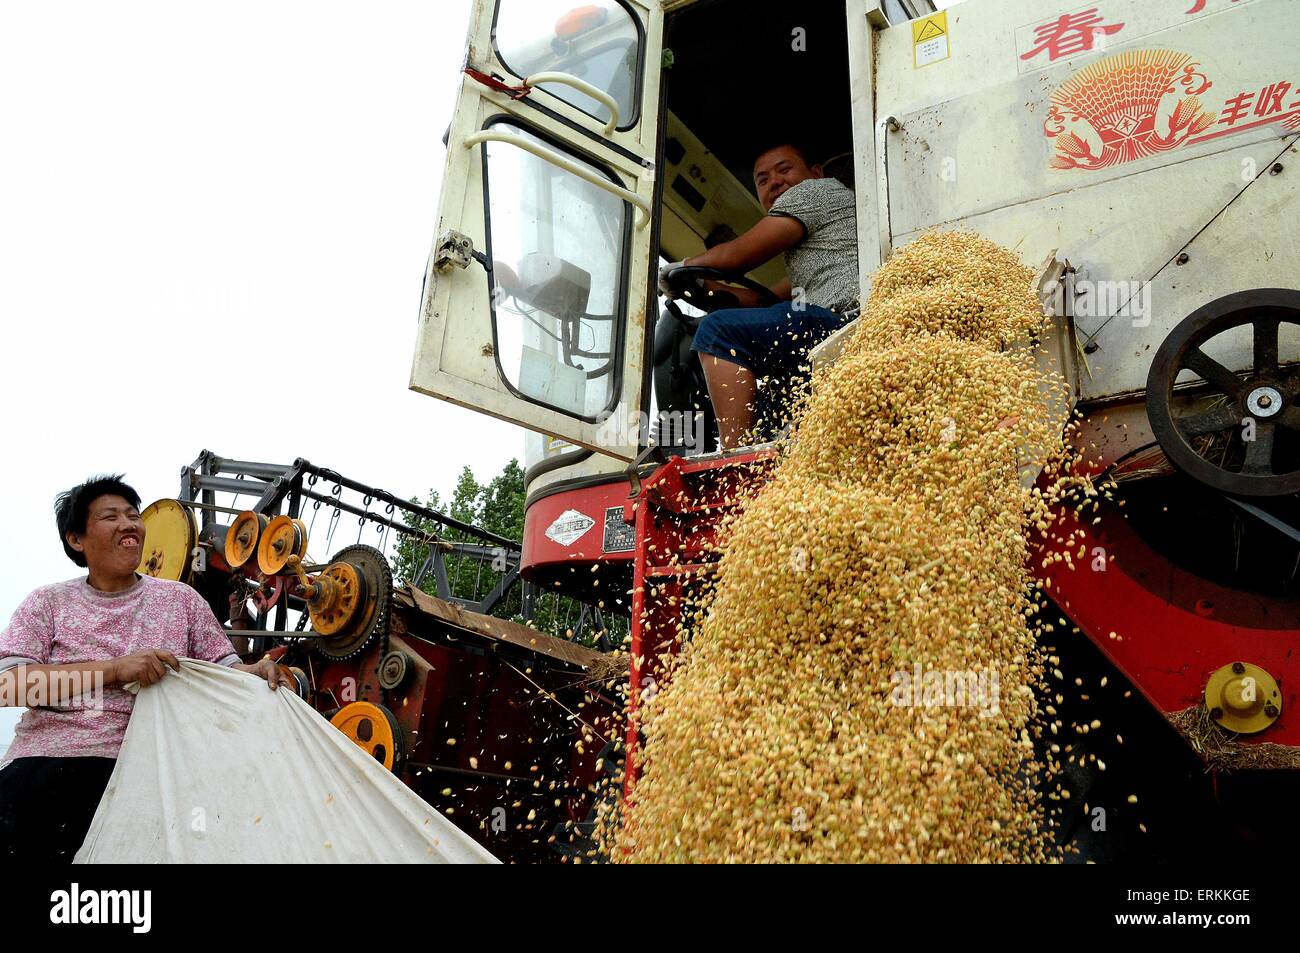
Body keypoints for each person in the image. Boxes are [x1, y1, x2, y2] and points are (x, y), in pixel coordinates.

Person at [0, 474, 287, 862]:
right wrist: (116, 669)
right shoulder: (47, 604)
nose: (129, 524)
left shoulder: (181, 601)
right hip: (52, 765)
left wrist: (256, 673)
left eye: (133, 515)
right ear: (76, 539)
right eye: (110, 516)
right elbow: (11, 687)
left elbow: (226, 673)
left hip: (159, 765)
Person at [659, 142, 859, 448]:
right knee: (767, 410)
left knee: (716, 331)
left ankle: (735, 458)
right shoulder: (814, 260)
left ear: (816, 173)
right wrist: (699, 285)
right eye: (763, 180)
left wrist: (683, 265)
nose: (775, 181)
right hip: (825, 327)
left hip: (844, 322)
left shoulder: (818, 193)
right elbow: (761, 300)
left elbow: (736, 257)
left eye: (784, 169)